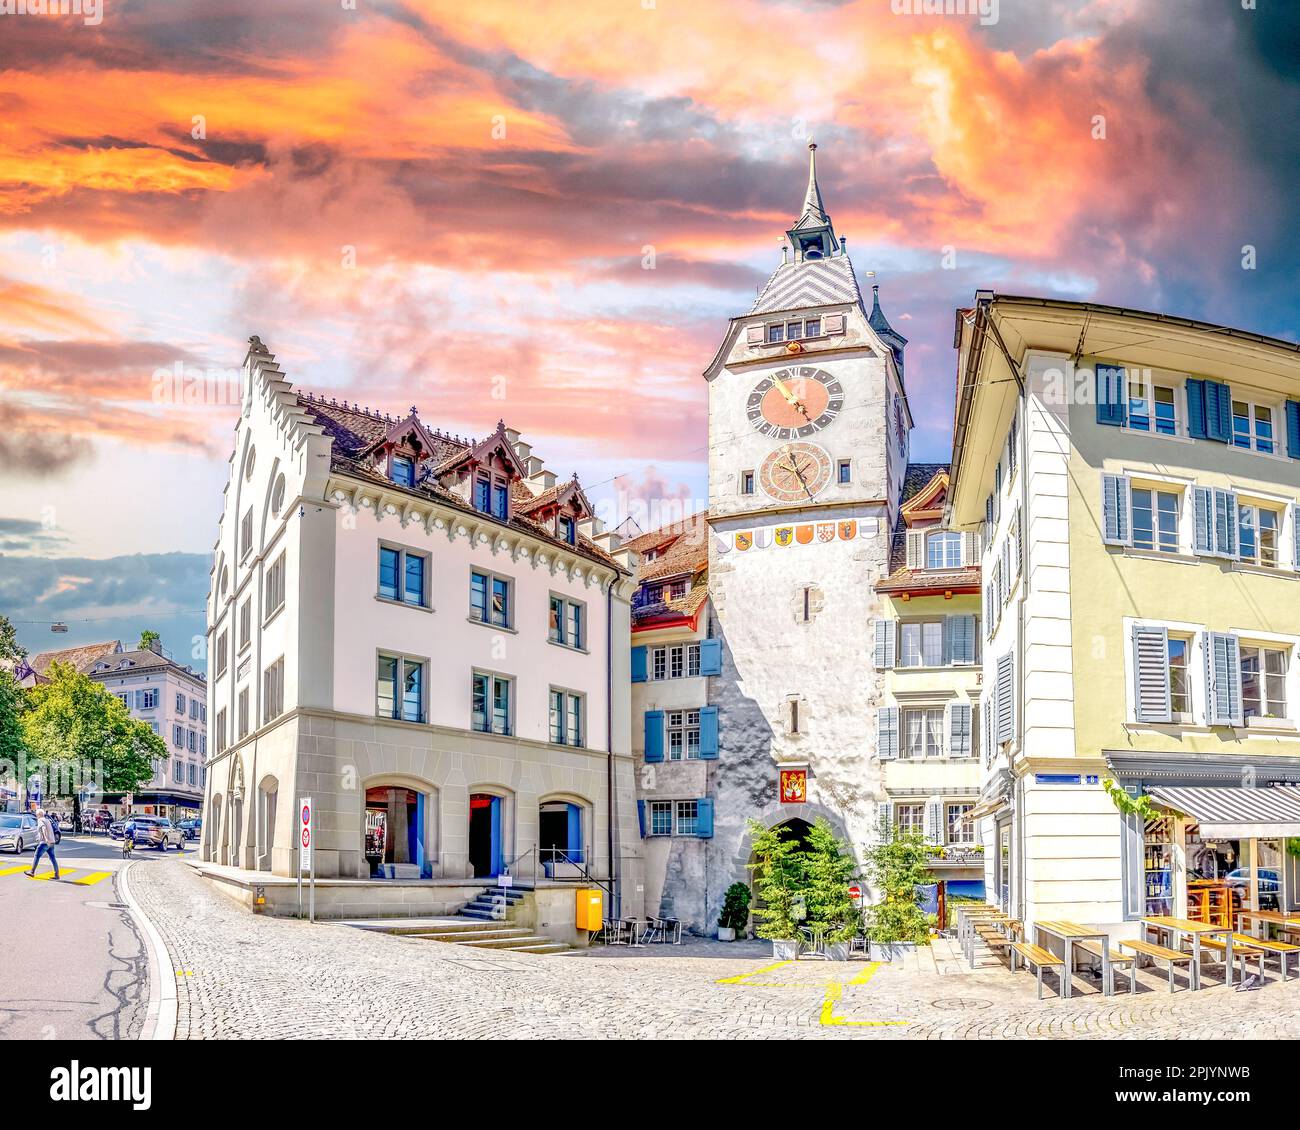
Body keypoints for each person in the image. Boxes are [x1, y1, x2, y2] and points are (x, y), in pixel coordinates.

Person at [26, 808, 60, 880]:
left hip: (45, 842)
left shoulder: (40, 820)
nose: (36, 816)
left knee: (36, 856)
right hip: (52, 842)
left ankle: (32, 872)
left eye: (36, 814)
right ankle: (57, 875)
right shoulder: (47, 820)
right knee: (53, 858)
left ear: (39, 814)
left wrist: (46, 839)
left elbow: (44, 829)